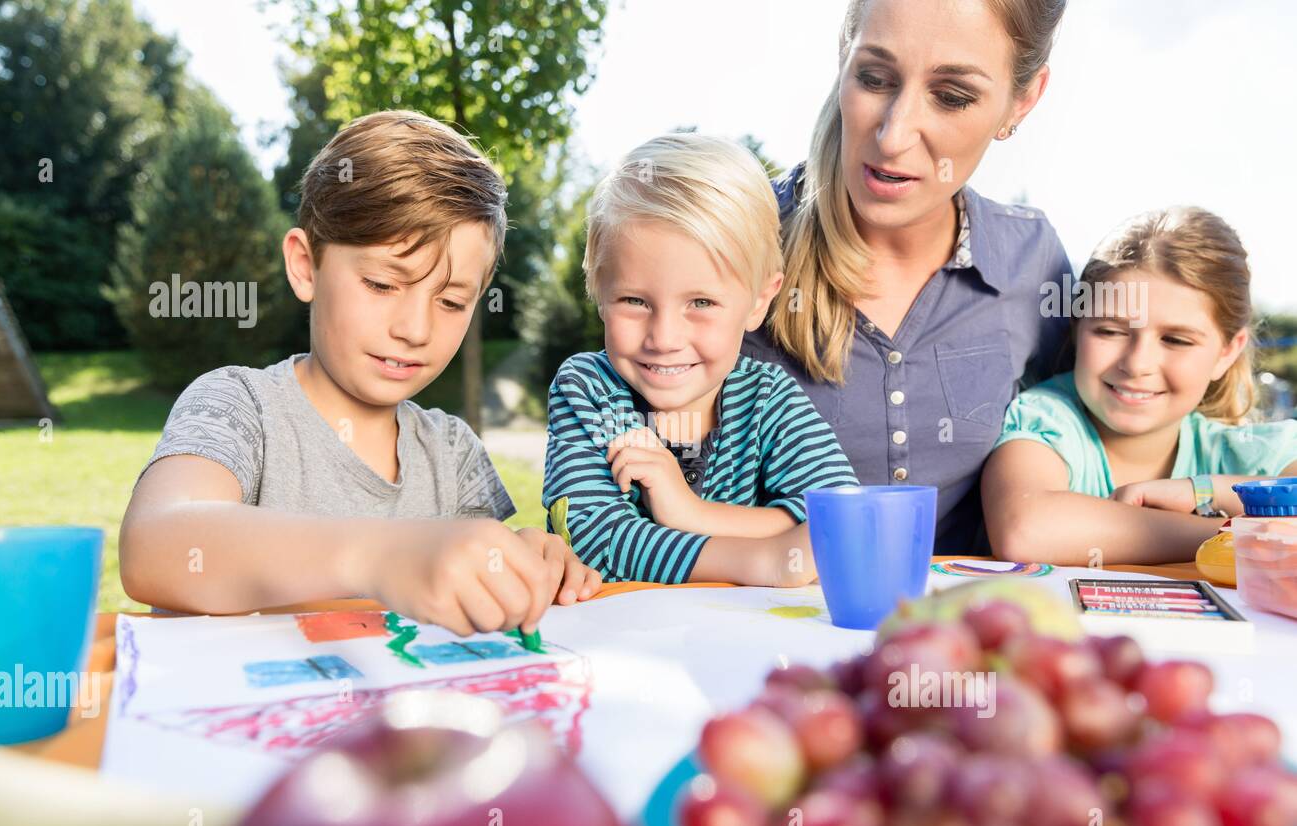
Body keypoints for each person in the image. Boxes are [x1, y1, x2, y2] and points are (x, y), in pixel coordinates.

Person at [120, 110, 600, 634]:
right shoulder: (240, 406)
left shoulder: (453, 453)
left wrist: (521, 564)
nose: (415, 329)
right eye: (380, 284)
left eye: (452, 300)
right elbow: (156, 545)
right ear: (306, 266)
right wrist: (380, 557)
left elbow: (476, 601)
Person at [741, 0, 1070, 553]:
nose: (893, 137)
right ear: (844, 51)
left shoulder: (1034, 262)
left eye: (952, 96)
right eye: (873, 78)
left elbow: (1102, 449)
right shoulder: (735, 240)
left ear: (1023, 100)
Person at [543, 134, 859, 586]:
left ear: (759, 302)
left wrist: (690, 512)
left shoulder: (768, 397)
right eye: (634, 300)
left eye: (701, 303)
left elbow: (841, 516)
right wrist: (764, 558)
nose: (665, 338)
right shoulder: (587, 390)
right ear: (598, 292)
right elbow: (596, 540)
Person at [983, 207, 1297, 566]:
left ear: (1226, 353)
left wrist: (1204, 491)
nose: (1136, 364)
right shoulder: (1048, 419)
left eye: (1176, 340)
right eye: (1110, 331)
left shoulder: (1241, 451)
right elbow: (1026, 531)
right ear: (1077, 328)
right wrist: (1243, 534)